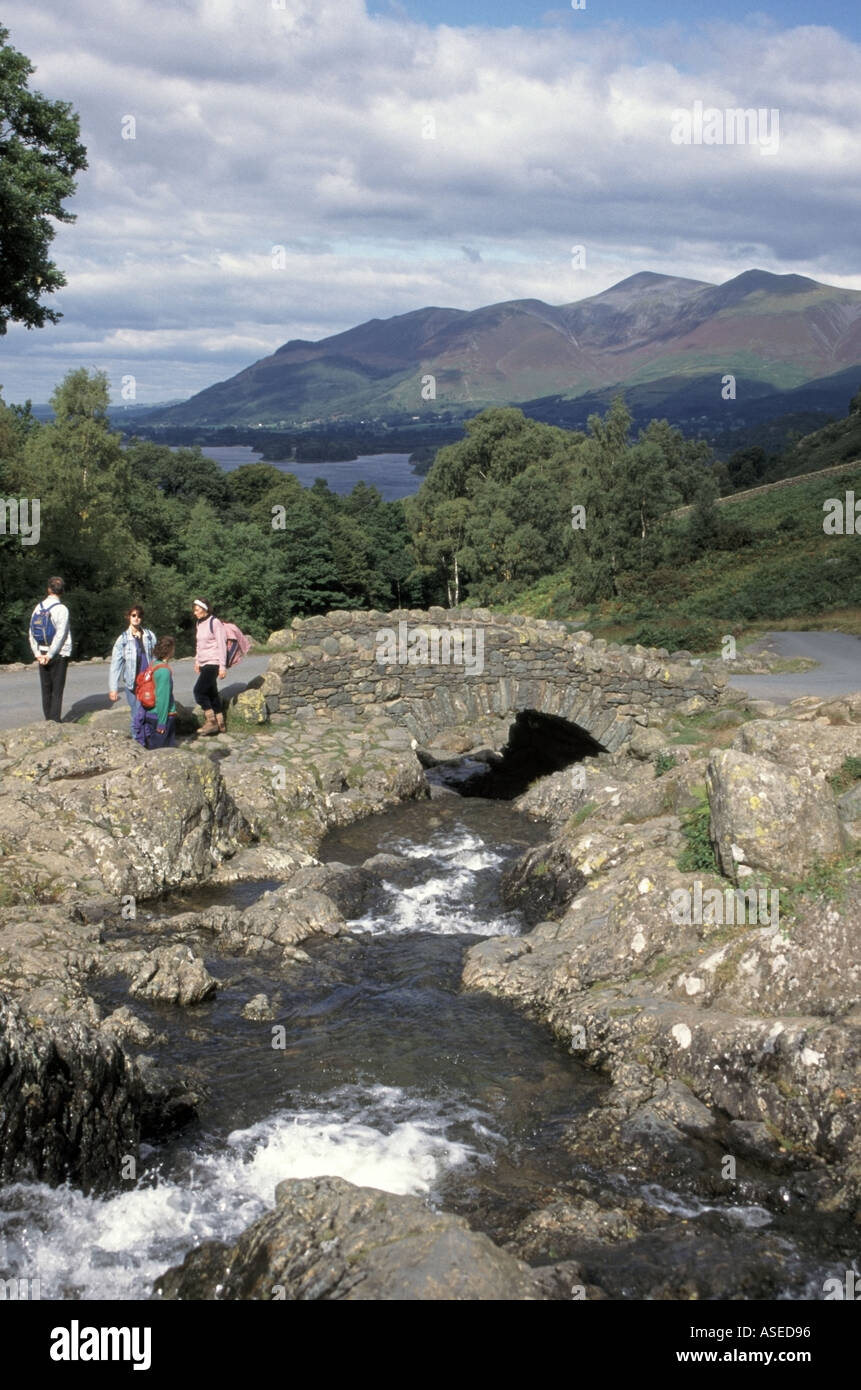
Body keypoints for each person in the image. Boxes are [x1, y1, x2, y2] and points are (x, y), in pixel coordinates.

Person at [109, 604, 157, 736]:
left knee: (147, 711)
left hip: (148, 682)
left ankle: (146, 739)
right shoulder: (123, 639)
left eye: (139, 616)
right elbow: (115, 665)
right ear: (128, 617)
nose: (136, 618)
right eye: (133, 615)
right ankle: (138, 740)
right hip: (132, 683)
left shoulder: (149, 636)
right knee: (136, 713)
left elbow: (156, 658)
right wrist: (113, 688)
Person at [29, 576, 72, 722]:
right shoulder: (62, 609)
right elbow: (61, 634)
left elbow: (31, 631)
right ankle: (55, 722)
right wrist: (51, 654)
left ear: (48, 589)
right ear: (62, 591)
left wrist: (37, 653)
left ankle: (48, 721)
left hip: (41, 652)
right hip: (58, 653)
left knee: (46, 689)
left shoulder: (38, 607)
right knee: (57, 690)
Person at [133, 636, 177, 749]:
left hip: (149, 713)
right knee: (163, 751)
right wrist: (162, 723)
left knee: (151, 747)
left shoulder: (154, 664)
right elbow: (162, 699)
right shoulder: (164, 671)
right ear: (170, 650)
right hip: (161, 716)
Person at [192, 598, 227, 735]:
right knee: (211, 693)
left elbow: (222, 645)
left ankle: (211, 722)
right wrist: (197, 661)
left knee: (199, 692)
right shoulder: (199, 623)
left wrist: (222, 667)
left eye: (197, 610)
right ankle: (220, 723)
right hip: (203, 662)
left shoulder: (215, 622)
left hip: (213, 662)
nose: (194, 613)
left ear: (204, 609)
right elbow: (199, 644)